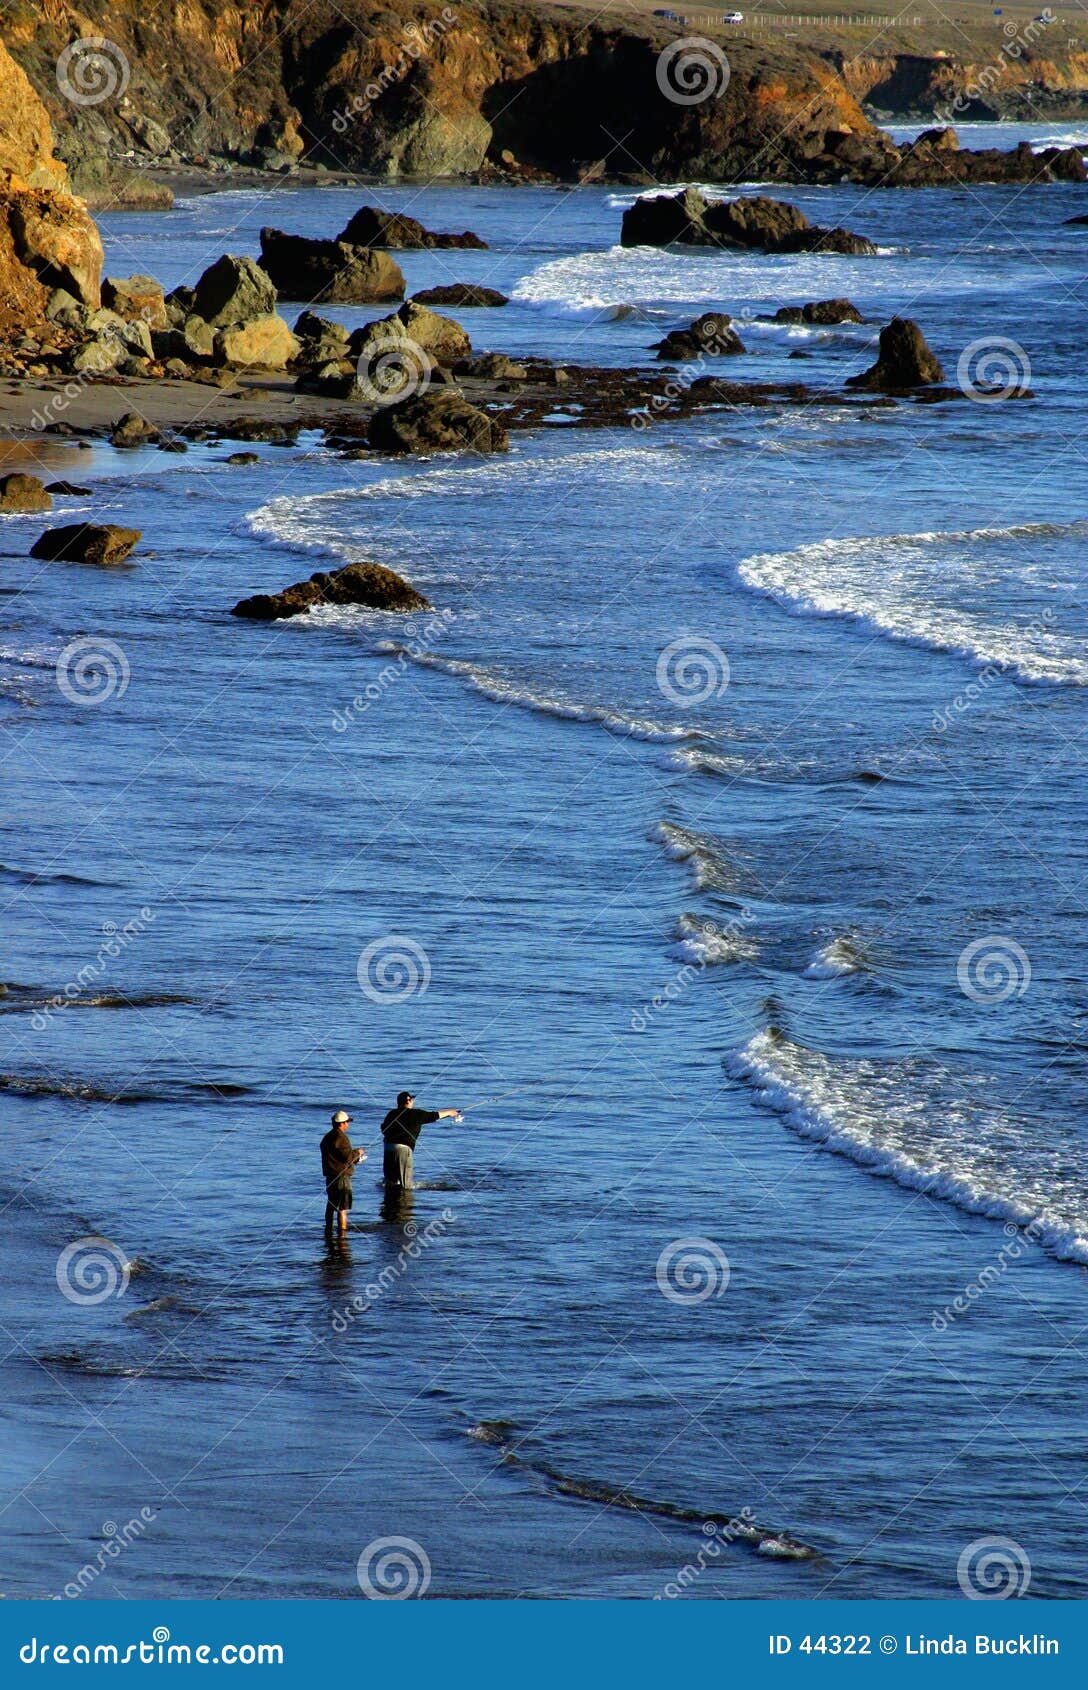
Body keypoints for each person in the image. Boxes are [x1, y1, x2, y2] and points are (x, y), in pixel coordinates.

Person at [380, 1090, 460, 1190]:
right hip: (403, 1150)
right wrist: (450, 1112)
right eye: (412, 1100)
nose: (413, 1102)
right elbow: (433, 1116)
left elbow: (383, 1129)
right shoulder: (416, 1114)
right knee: (406, 1186)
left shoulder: (391, 1114)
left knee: (389, 1183)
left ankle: (389, 1203)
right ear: (408, 1101)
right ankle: (404, 1203)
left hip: (388, 1148)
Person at [320, 1109, 366, 1236]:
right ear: (341, 1123)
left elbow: (338, 1157)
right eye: (347, 1122)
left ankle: (328, 1230)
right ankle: (342, 1235)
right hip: (341, 1177)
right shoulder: (341, 1137)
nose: (348, 1124)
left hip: (330, 1176)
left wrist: (353, 1158)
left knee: (330, 1205)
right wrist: (358, 1152)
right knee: (342, 1208)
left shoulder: (327, 1137)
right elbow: (348, 1156)